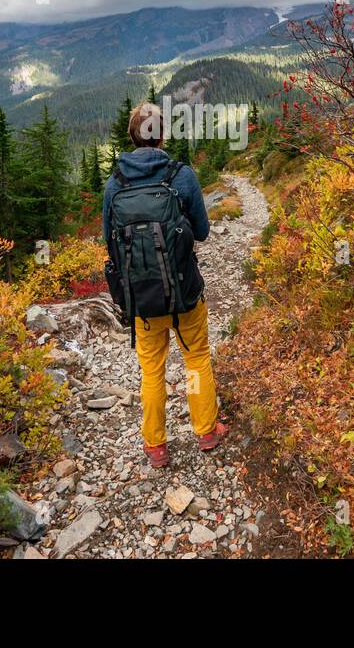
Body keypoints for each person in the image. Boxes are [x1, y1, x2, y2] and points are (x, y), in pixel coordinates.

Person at [102, 102, 230, 468]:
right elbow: (202, 232)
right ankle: (205, 431)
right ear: (161, 135)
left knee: (153, 369)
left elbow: (110, 245)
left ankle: (156, 445)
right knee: (195, 358)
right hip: (185, 291)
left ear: (132, 136)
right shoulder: (182, 176)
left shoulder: (115, 184)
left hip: (143, 299)